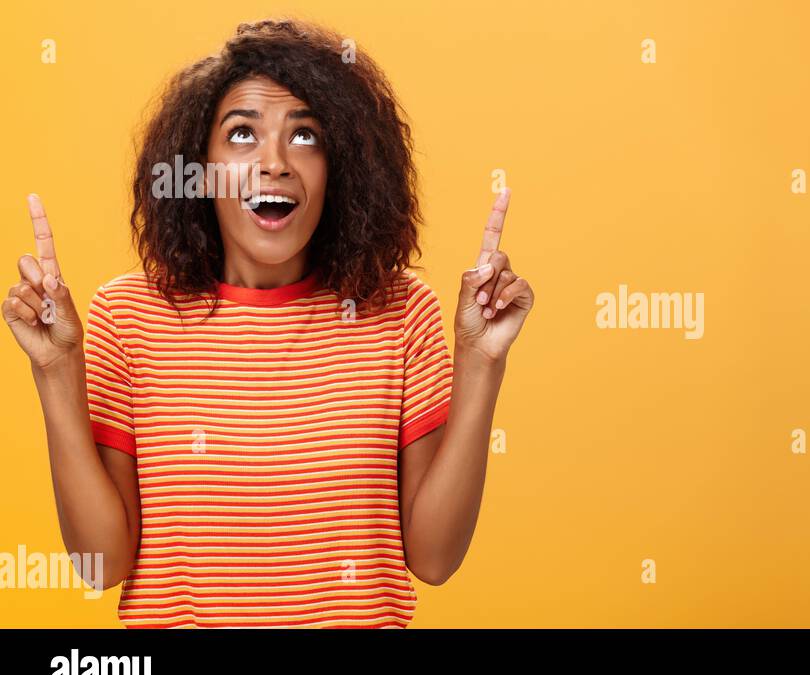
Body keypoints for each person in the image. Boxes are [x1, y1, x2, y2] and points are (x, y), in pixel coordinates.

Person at [2, 19, 534, 628]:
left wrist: (482, 360)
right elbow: (102, 566)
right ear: (198, 169)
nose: (274, 162)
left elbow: (435, 559)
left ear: (341, 168)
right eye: (242, 134)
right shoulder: (130, 316)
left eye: (305, 135)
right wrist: (54, 369)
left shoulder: (398, 310)